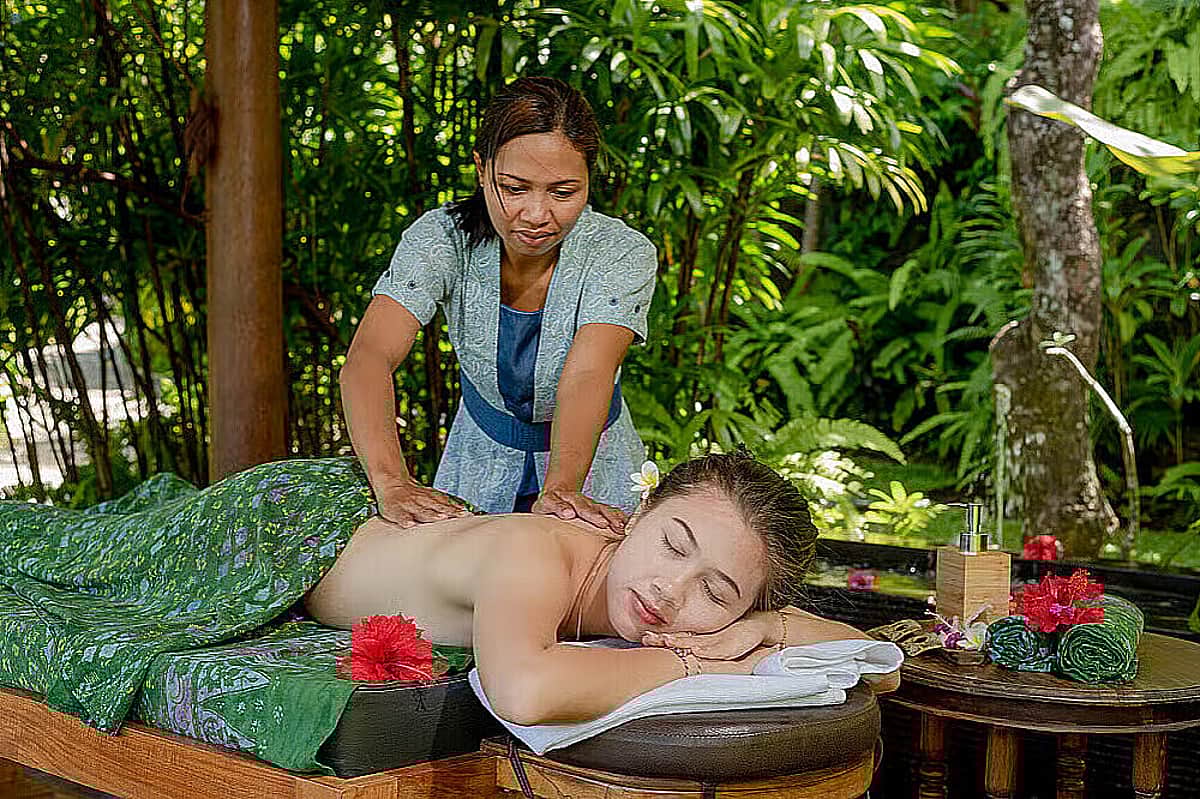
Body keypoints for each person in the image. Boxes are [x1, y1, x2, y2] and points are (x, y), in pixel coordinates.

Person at [306, 450, 899, 725]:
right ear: (636, 515)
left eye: (715, 594)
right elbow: (522, 693)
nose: (670, 591)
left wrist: (767, 629)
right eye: (673, 544)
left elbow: (881, 667)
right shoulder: (533, 553)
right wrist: (707, 667)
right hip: (289, 532)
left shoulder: (728, 606)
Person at [341, 76, 657, 530]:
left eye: (563, 192)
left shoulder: (622, 253)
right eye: (513, 188)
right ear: (481, 170)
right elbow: (369, 358)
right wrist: (392, 483)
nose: (536, 214)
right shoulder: (442, 239)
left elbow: (589, 372)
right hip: (478, 456)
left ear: (589, 180)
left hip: (594, 465)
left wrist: (563, 490)